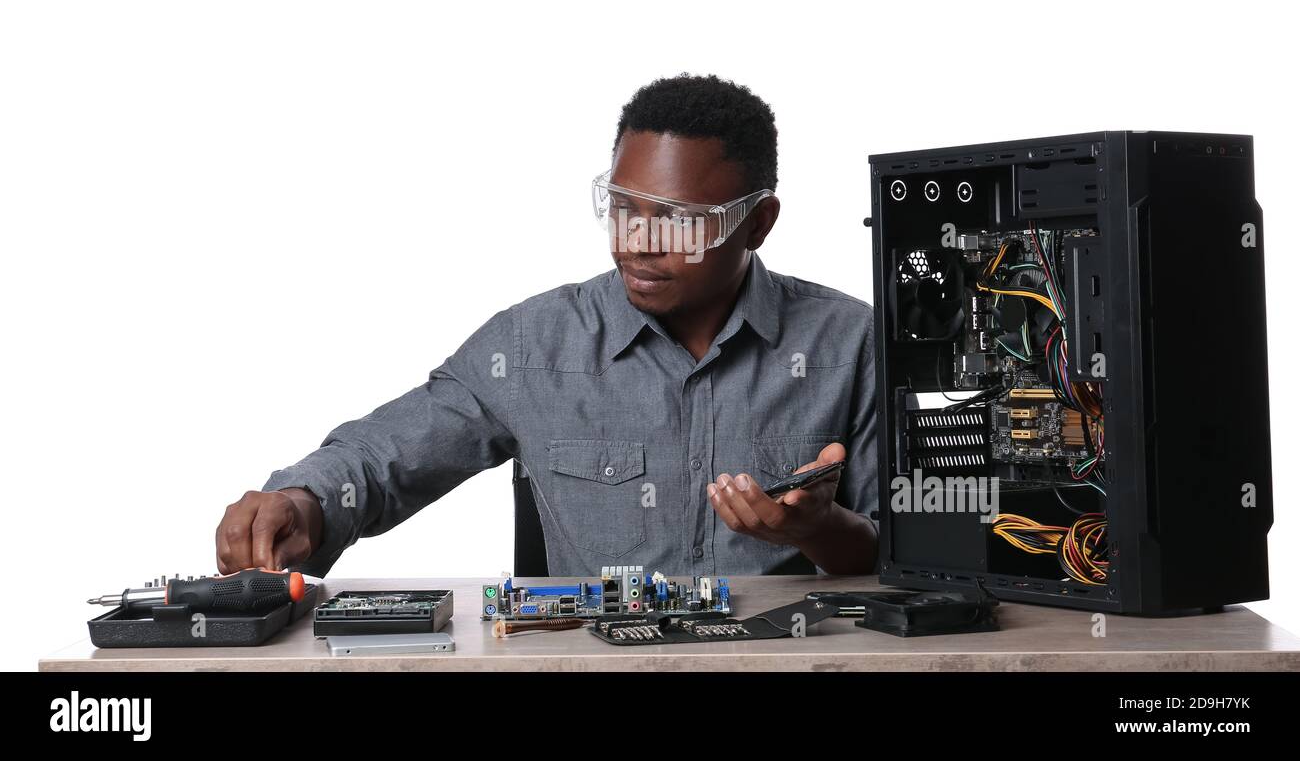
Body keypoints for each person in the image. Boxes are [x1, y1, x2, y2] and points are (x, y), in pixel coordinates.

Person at [215, 73, 879, 578]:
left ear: (757, 223)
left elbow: (914, 562)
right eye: (621, 209)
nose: (637, 242)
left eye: (676, 219)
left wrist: (819, 530)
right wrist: (302, 502)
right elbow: (381, 457)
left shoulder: (851, 345)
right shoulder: (534, 346)